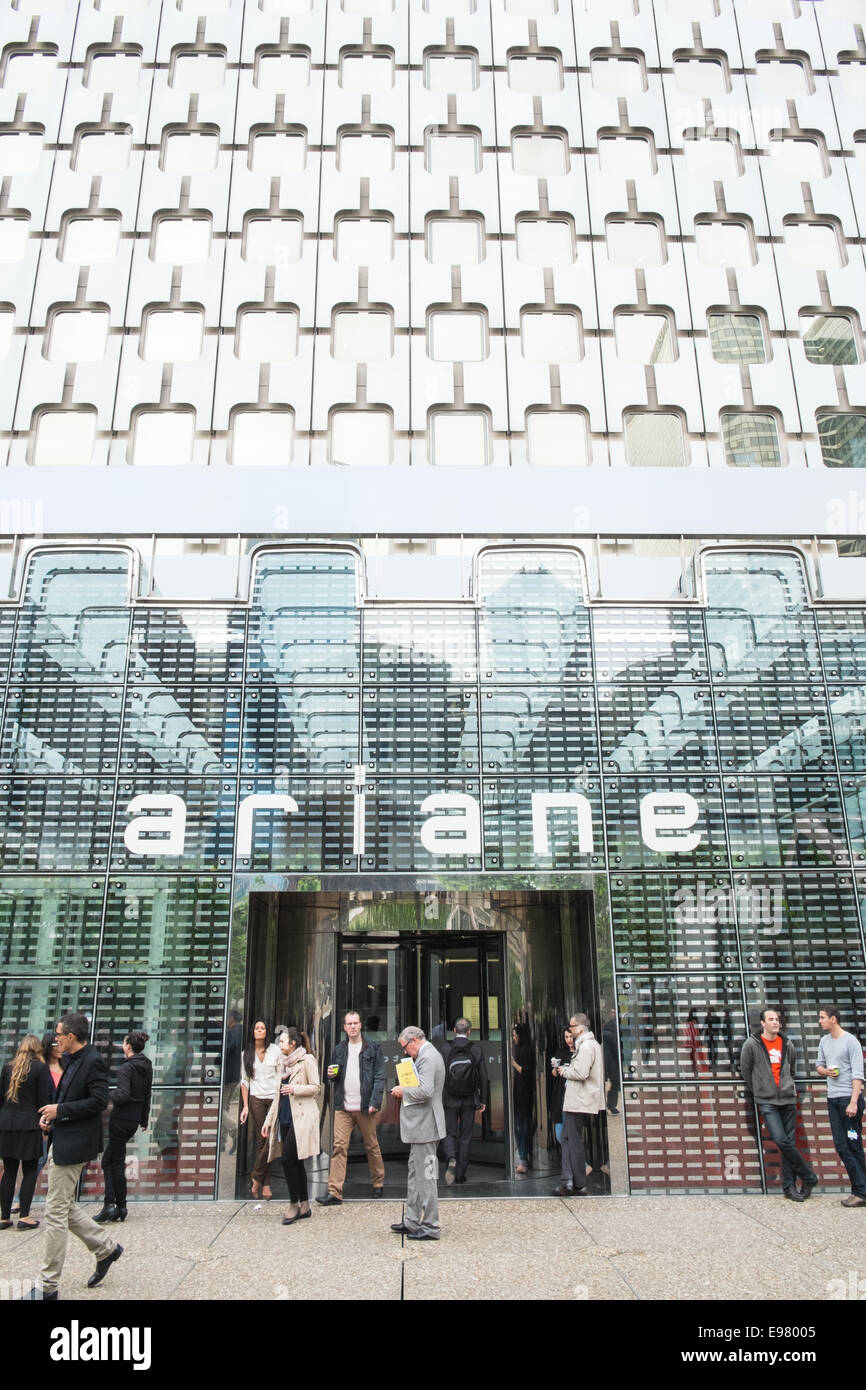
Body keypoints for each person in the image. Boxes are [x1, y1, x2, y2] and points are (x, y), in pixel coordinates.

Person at [26, 1012, 123, 1299]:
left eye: (58, 1034)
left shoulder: (93, 1061)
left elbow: (98, 1101)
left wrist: (61, 1112)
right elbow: (68, 1098)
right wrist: (52, 1115)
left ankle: (48, 1287)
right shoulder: (72, 1060)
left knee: (55, 1212)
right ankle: (106, 1249)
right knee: (63, 1206)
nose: (55, 1039)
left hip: (75, 1145)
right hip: (64, 1137)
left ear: (70, 1036)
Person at [740, 1006, 817, 1204]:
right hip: (768, 1101)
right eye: (771, 1019)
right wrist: (760, 1089)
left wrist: (787, 1086)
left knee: (788, 1143)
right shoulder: (752, 1044)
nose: (776, 1022)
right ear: (763, 1023)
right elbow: (746, 1070)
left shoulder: (787, 1043)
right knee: (781, 1140)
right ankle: (808, 1176)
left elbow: (792, 1068)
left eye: (777, 1019)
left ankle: (789, 1187)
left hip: (788, 1099)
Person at [317, 1010, 385, 1206]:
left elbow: (380, 1076)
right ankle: (334, 1191)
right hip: (343, 1107)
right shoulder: (339, 1049)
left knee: (372, 1146)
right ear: (345, 1027)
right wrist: (331, 1074)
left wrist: (374, 1102)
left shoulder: (373, 1048)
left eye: (356, 1023)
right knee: (339, 1147)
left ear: (360, 1025)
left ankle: (378, 1183)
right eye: (349, 1023)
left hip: (365, 1107)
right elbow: (334, 1076)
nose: (353, 1026)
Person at [390, 1025, 446, 1241]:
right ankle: (412, 1220)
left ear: (414, 1040)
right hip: (423, 1127)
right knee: (416, 1174)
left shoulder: (428, 1057)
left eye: (405, 1047)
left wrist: (402, 1090)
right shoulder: (427, 1056)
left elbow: (425, 1091)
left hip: (426, 1127)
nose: (405, 1052)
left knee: (427, 1177)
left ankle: (431, 1226)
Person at [262, 1028, 321, 1225]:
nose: (280, 1045)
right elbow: (278, 1096)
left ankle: (294, 1204)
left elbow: (316, 1087)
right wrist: (268, 1121)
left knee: (287, 1159)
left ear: (293, 1044)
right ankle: (305, 1205)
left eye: (282, 1042)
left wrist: (295, 1089)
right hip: (286, 1117)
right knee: (296, 1162)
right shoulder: (282, 1064)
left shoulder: (307, 1060)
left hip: (302, 1118)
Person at [94, 1031, 153, 1224]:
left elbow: (123, 1095)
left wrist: (109, 1094)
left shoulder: (126, 1068)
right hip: (134, 1119)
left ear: (128, 1046)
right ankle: (119, 1206)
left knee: (112, 1162)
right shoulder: (146, 1065)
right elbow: (147, 1096)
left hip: (121, 1118)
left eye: (124, 1042)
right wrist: (143, 1119)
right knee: (113, 1160)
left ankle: (112, 1205)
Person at [0, 1034, 54, 1230]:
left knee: (9, 1172)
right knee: (30, 1171)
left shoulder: (7, 1067)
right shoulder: (40, 1068)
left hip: (6, 1125)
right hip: (30, 1125)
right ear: (36, 1049)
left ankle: (4, 1217)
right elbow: (43, 1100)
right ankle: (24, 1216)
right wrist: (46, 1125)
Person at [816, 1004, 866, 1208]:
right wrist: (825, 1071)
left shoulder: (850, 1041)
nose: (820, 1021)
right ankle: (861, 1189)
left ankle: (860, 1191)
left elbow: (858, 1074)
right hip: (833, 1100)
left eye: (822, 1017)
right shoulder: (824, 1041)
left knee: (853, 1143)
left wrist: (854, 1102)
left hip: (849, 1102)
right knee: (841, 1144)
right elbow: (818, 1065)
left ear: (833, 1019)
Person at [552, 1012, 604, 1198]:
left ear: (580, 1028)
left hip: (579, 1100)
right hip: (577, 1100)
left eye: (572, 1027)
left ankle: (576, 1183)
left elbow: (581, 1072)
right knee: (568, 1138)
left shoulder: (587, 1046)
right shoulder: (587, 1045)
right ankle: (569, 1180)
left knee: (572, 1140)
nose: (570, 1029)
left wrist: (565, 1070)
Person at [442, 1017, 488, 1186]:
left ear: (454, 1030)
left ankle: (451, 1158)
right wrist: (483, 1099)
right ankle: (461, 1175)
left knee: (449, 1133)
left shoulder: (446, 1048)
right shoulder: (475, 1049)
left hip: (449, 1098)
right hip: (469, 1099)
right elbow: (483, 1076)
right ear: (469, 1032)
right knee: (466, 1136)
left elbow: (440, 1073)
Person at [239, 1019, 281, 1200]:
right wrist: (246, 1106)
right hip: (256, 1099)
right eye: (256, 1027)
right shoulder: (246, 1054)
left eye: (262, 1027)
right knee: (260, 1141)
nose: (259, 1030)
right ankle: (266, 1184)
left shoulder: (275, 1050)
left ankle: (256, 1177)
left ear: (267, 1031)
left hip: (273, 1098)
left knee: (271, 1140)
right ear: (252, 1031)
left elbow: (281, 1075)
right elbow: (245, 1082)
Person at [511, 1022, 534, 1174]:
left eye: (514, 1035)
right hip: (521, 1092)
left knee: (522, 1126)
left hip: (523, 1094)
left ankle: (523, 1159)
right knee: (522, 1126)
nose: (513, 1038)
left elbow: (526, 1071)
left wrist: (513, 1063)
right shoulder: (520, 1048)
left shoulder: (525, 1050)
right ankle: (523, 1157)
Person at [550, 1025, 575, 1147]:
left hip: (574, 1096)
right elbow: (554, 1074)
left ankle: (579, 1163)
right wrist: (555, 1067)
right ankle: (580, 1163)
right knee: (560, 1134)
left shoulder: (580, 1053)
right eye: (566, 1037)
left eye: (571, 1036)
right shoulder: (561, 1052)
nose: (569, 1039)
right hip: (561, 1095)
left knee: (571, 1133)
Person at [602, 1008, 621, 1115]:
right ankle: (607, 1105)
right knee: (608, 1082)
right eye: (612, 1012)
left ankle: (611, 1104)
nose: (613, 1014)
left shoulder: (619, 1024)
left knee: (615, 1082)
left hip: (613, 1058)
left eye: (615, 1012)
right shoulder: (609, 1025)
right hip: (610, 1057)